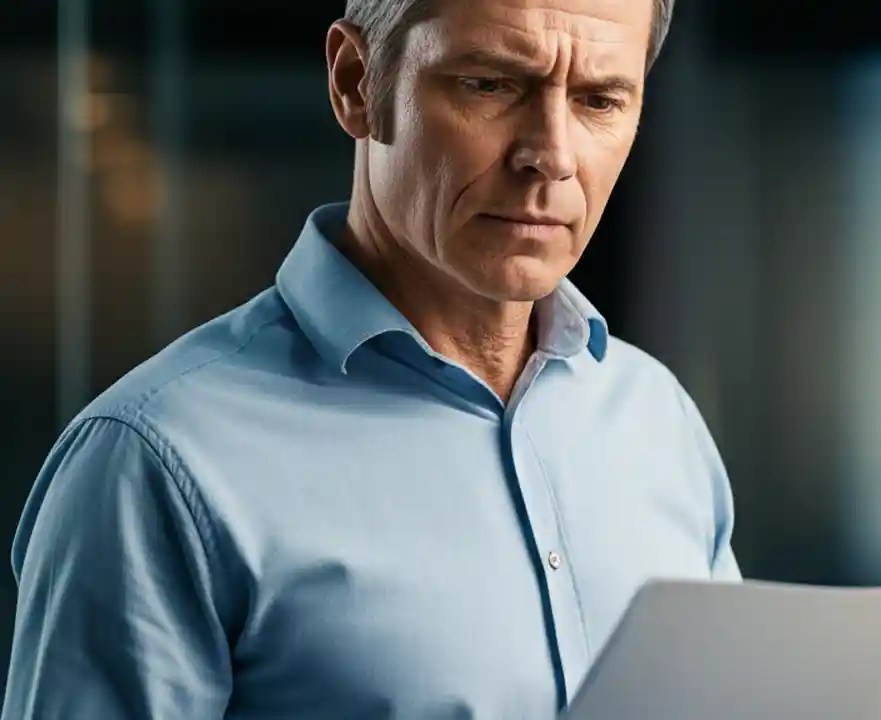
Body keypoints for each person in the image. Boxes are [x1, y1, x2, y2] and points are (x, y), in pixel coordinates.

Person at [2, 0, 741, 717]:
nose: (551, 156)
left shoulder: (656, 419)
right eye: (490, 84)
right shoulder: (155, 461)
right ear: (357, 82)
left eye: (600, 100)